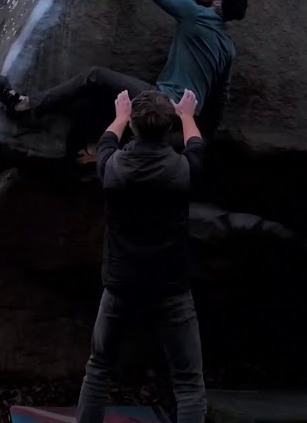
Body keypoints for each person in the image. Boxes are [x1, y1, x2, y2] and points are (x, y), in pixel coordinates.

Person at [0, 0, 247, 138]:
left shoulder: (195, 15)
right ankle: (76, 141)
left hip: (164, 104)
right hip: (180, 120)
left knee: (94, 76)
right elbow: (221, 98)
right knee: (103, 102)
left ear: (219, 0)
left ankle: (26, 106)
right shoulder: (228, 48)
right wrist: (199, 136)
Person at [74, 88, 208, 423]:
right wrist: (188, 115)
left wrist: (119, 115)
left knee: (99, 368)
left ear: (133, 125)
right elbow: (197, 149)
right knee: (189, 381)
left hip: (122, 285)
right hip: (171, 287)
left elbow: (106, 142)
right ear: (168, 128)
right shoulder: (180, 171)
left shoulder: (113, 169)